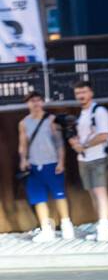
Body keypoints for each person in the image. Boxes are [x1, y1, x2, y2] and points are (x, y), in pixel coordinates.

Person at [17, 91, 73, 242]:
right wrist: (23, 159)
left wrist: (61, 161)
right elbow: (23, 144)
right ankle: (46, 229)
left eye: (37, 100)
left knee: (59, 195)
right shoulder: (23, 123)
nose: (35, 104)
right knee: (38, 198)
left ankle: (67, 226)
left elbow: (59, 143)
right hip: (34, 165)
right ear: (27, 103)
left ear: (42, 102)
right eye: (31, 101)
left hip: (52, 163)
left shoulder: (51, 120)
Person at [69, 80, 108, 242]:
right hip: (83, 159)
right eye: (78, 93)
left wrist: (84, 146)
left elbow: (104, 135)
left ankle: (105, 228)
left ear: (91, 93)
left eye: (84, 92)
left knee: (100, 192)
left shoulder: (99, 111)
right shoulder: (81, 114)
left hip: (98, 157)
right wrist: (75, 143)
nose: (81, 96)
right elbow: (78, 136)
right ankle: (100, 227)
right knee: (93, 194)